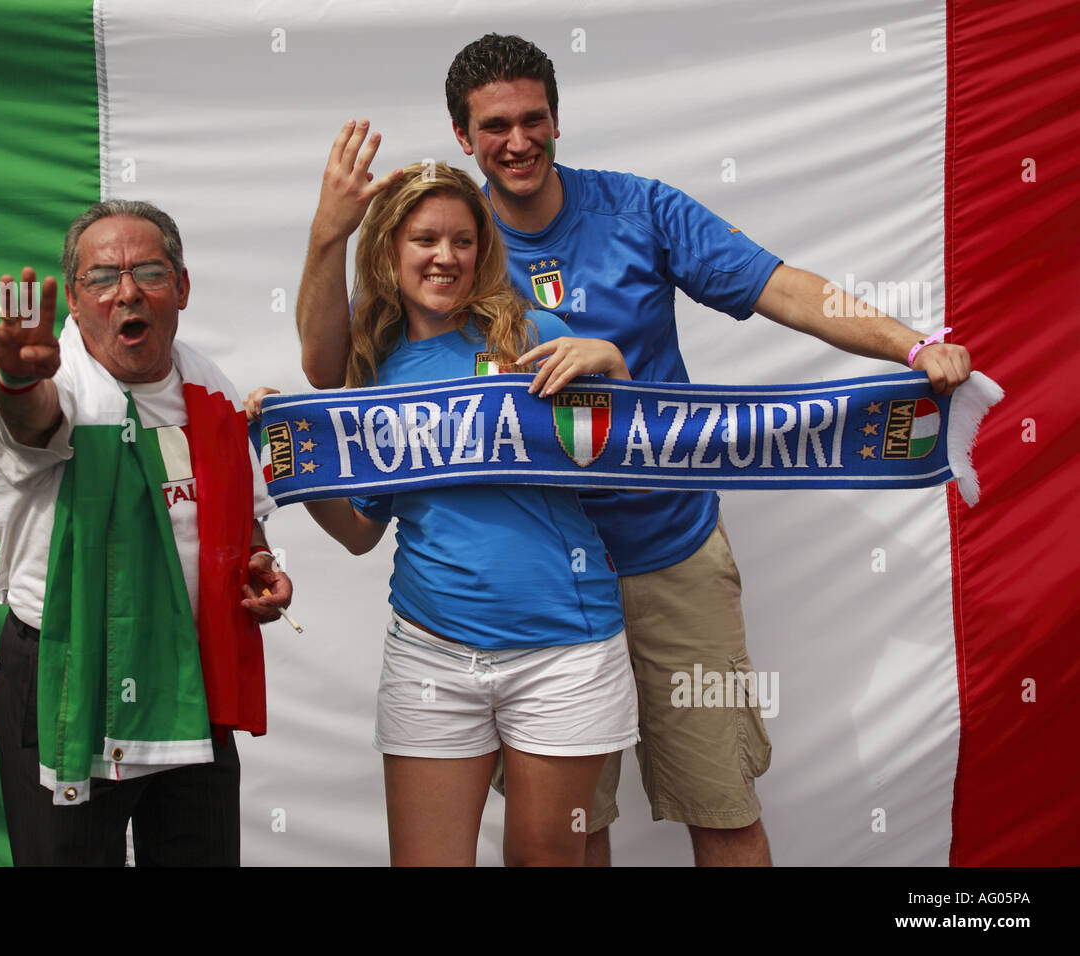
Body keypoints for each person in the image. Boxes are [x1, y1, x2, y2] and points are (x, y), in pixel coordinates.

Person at [295, 34, 973, 866]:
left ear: (557, 119)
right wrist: (327, 236)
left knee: (719, 803)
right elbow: (335, 365)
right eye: (495, 125)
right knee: (578, 833)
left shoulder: (639, 210)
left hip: (667, 554)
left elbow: (784, 287)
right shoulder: (447, 245)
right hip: (535, 592)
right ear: (462, 135)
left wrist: (911, 345)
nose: (519, 141)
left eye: (535, 119)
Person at [284, 161, 638, 866]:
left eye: (462, 240)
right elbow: (359, 533)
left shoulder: (533, 331)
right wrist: (297, 466)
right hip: (431, 656)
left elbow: (619, 448)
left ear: (483, 251)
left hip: (564, 652)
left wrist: (611, 361)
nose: (445, 257)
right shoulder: (375, 366)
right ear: (389, 250)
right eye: (424, 240)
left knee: (549, 860)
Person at [0, 200, 293, 866]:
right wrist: (17, 376)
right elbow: (32, 420)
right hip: (70, 665)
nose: (127, 291)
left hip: (187, 669)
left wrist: (261, 567)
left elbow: (242, 520)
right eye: (102, 277)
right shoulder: (60, 385)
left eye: (149, 270)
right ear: (78, 300)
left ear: (181, 287)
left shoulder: (211, 387)